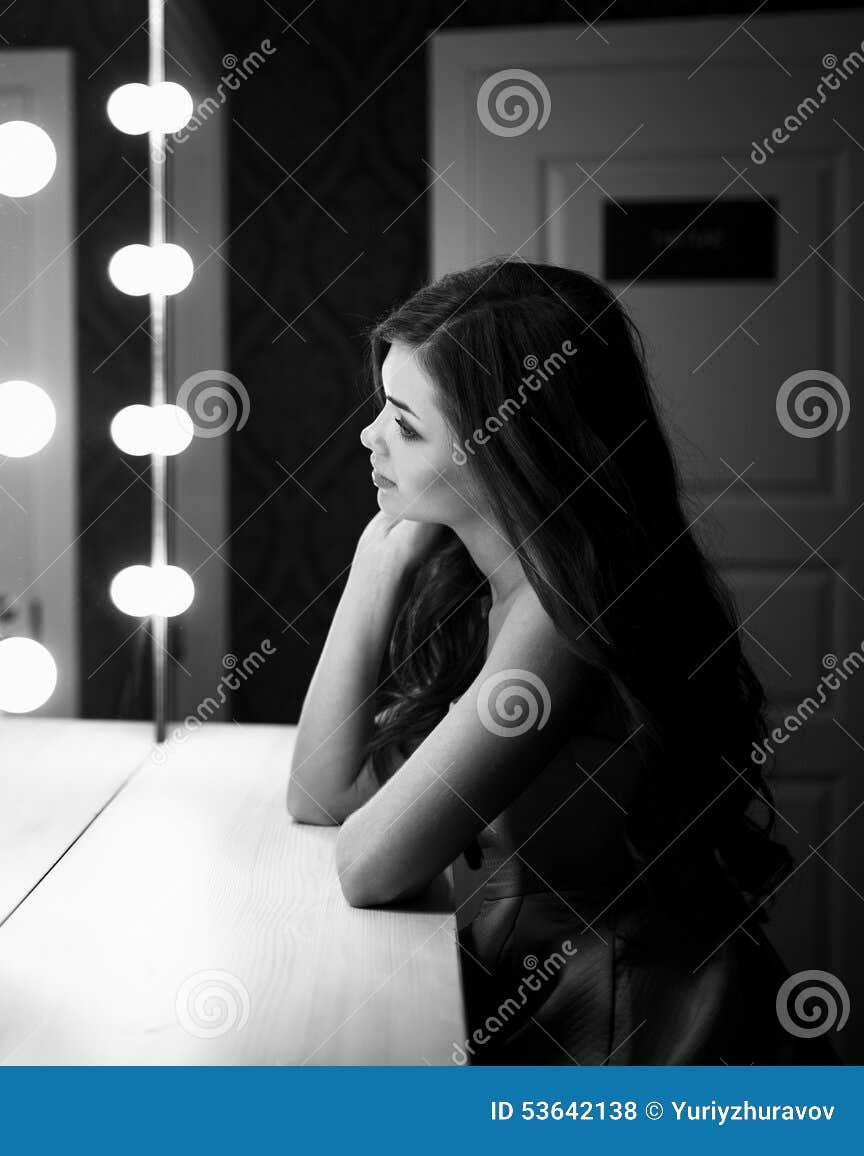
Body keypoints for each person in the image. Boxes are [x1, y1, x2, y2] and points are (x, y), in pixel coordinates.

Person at [288, 257, 839, 1064]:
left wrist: (380, 560)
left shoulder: (562, 619)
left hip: (627, 1021)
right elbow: (319, 794)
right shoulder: (495, 583)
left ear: (511, 450)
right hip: (553, 985)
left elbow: (367, 867)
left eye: (406, 423)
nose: (370, 436)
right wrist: (375, 569)